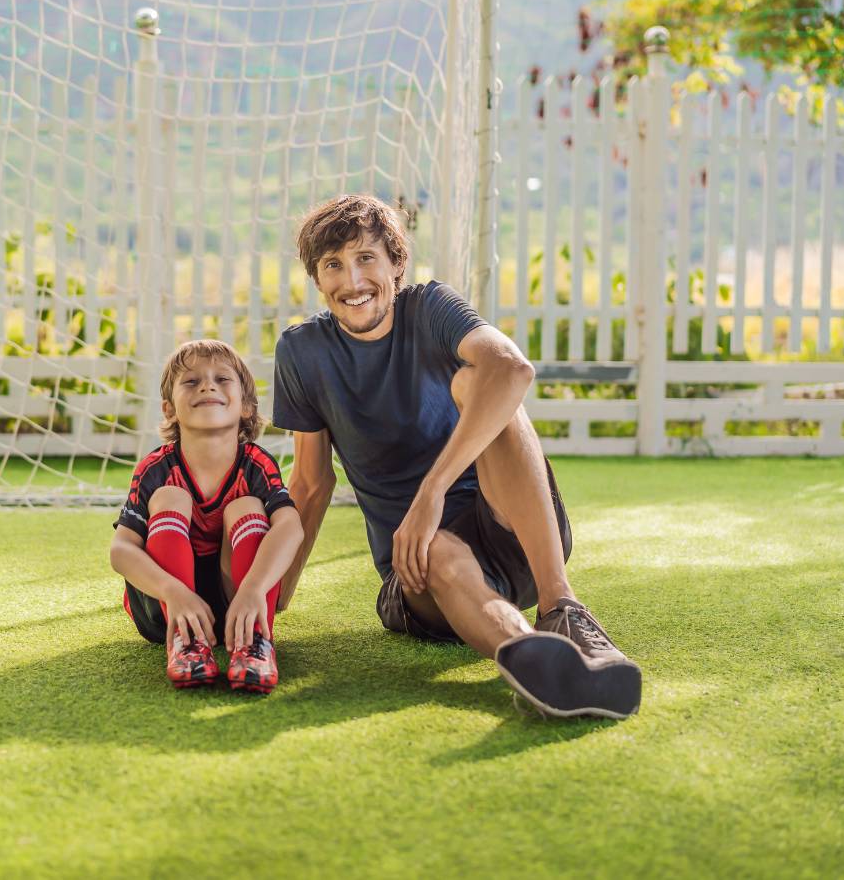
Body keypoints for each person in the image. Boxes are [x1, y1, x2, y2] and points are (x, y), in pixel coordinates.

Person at [272, 194, 642, 718]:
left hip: (514, 534)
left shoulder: (430, 307)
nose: (351, 281)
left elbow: (513, 369)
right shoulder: (303, 352)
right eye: (333, 265)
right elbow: (310, 483)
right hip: (422, 576)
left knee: (484, 379)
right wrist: (271, 597)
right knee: (438, 548)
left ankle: (562, 610)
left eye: (365, 259)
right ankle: (532, 660)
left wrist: (431, 491)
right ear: (317, 278)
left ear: (396, 264)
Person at [110, 340, 303, 693]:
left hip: (241, 600)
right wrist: (172, 591)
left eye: (221, 378)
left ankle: (255, 643)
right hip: (164, 605)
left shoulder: (256, 464)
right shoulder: (156, 468)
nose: (207, 385)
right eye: (191, 381)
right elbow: (121, 551)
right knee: (171, 497)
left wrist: (254, 588)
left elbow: (291, 527)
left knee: (246, 507)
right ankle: (186, 642)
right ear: (169, 409)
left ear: (246, 405)